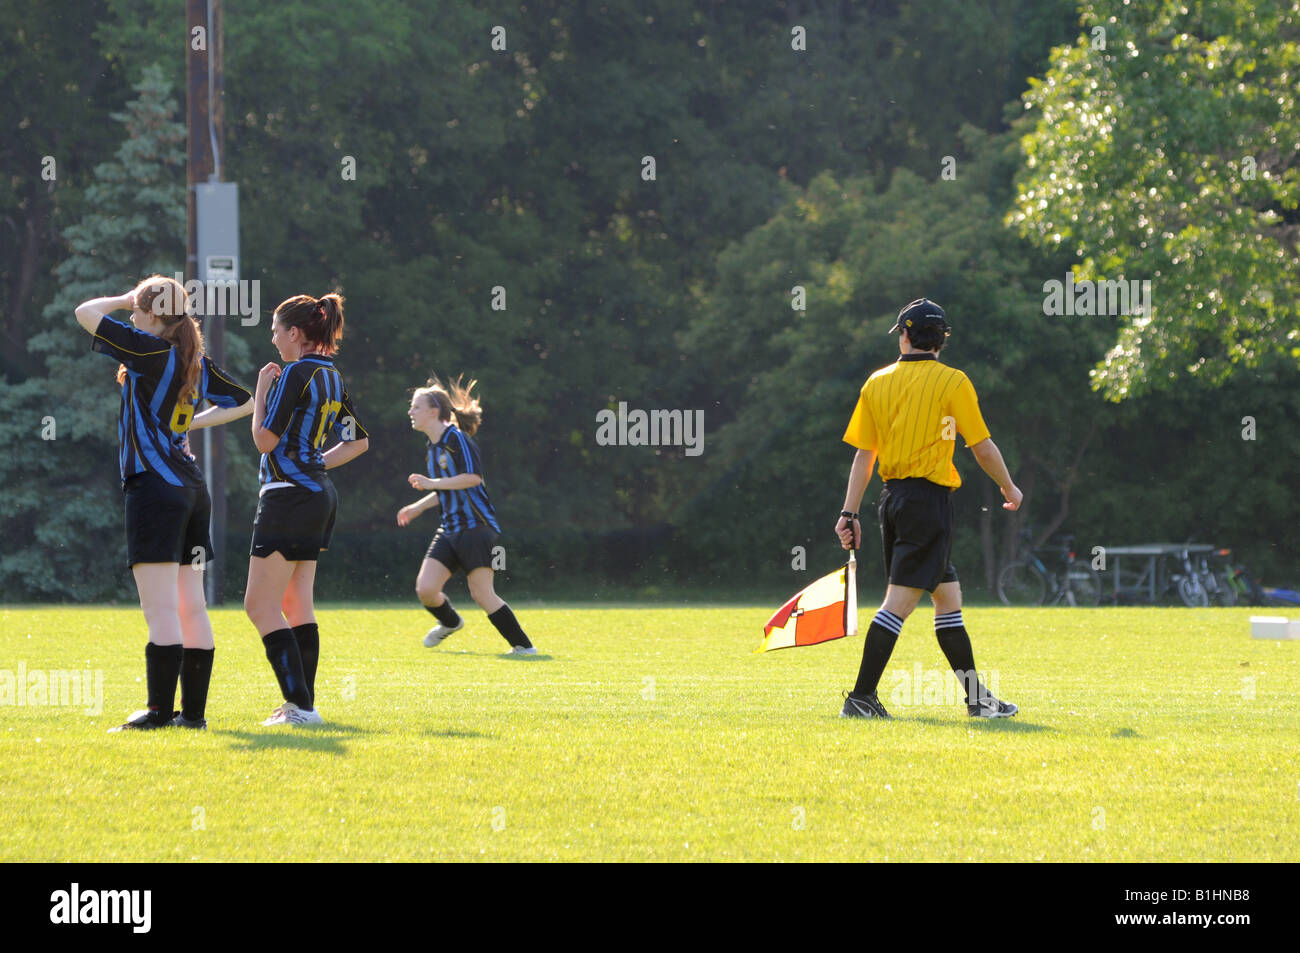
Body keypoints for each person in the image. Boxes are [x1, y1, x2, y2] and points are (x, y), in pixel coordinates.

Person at [75, 275, 253, 731]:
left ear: (153, 315)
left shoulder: (149, 348)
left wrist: (121, 298)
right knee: (191, 607)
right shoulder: (193, 359)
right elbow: (245, 401)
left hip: (154, 490)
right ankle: (191, 716)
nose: (132, 315)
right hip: (192, 491)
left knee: (159, 609)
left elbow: (85, 314)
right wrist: (189, 428)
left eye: (138, 309)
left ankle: (157, 712)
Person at [834, 298, 1023, 719]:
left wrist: (849, 513)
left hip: (894, 501)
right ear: (942, 340)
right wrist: (1009, 487)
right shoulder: (953, 382)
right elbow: (981, 446)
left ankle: (978, 700)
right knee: (897, 604)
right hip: (928, 503)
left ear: (904, 334)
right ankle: (861, 698)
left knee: (947, 599)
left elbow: (865, 455)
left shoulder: (876, 381)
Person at [245, 293, 369, 726]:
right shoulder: (332, 374)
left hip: (287, 497)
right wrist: (314, 462)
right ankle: (305, 708)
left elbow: (264, 440)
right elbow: (358, 442)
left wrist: (260, 391)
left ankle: (299, 705)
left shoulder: (295, 372)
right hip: (318, 496)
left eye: (276, 329)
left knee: (259, 605)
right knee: (298, 604)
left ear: (295, 333)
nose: (273, 337)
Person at [398, 376, 537, 655]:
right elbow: (446, 487)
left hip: (476, 527)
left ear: (433, 412)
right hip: (449, 529)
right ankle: (450, 623)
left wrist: (432, 483)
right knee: (426, 589)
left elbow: (472, 478)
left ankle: (524, 647)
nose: (410, 412)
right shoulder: (433, 448)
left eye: (415, 407)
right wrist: (418, 507)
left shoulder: (456, 438)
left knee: (482, 594)